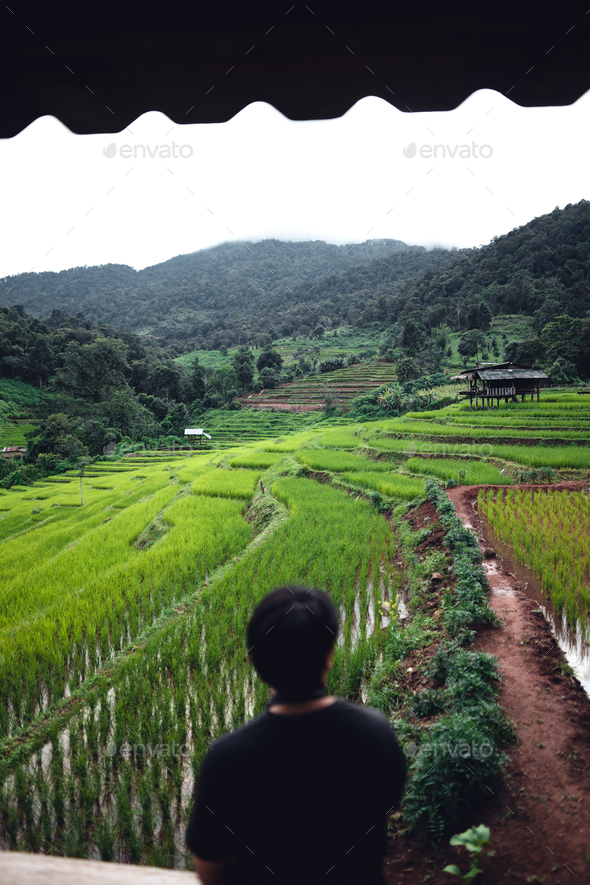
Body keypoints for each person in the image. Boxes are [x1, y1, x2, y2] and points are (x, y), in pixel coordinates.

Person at [185, 585, 407, 885]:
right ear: (328, 656)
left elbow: (209, 869)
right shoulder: (375, 731)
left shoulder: (226, 758)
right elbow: (389, 805)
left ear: (256, 664)